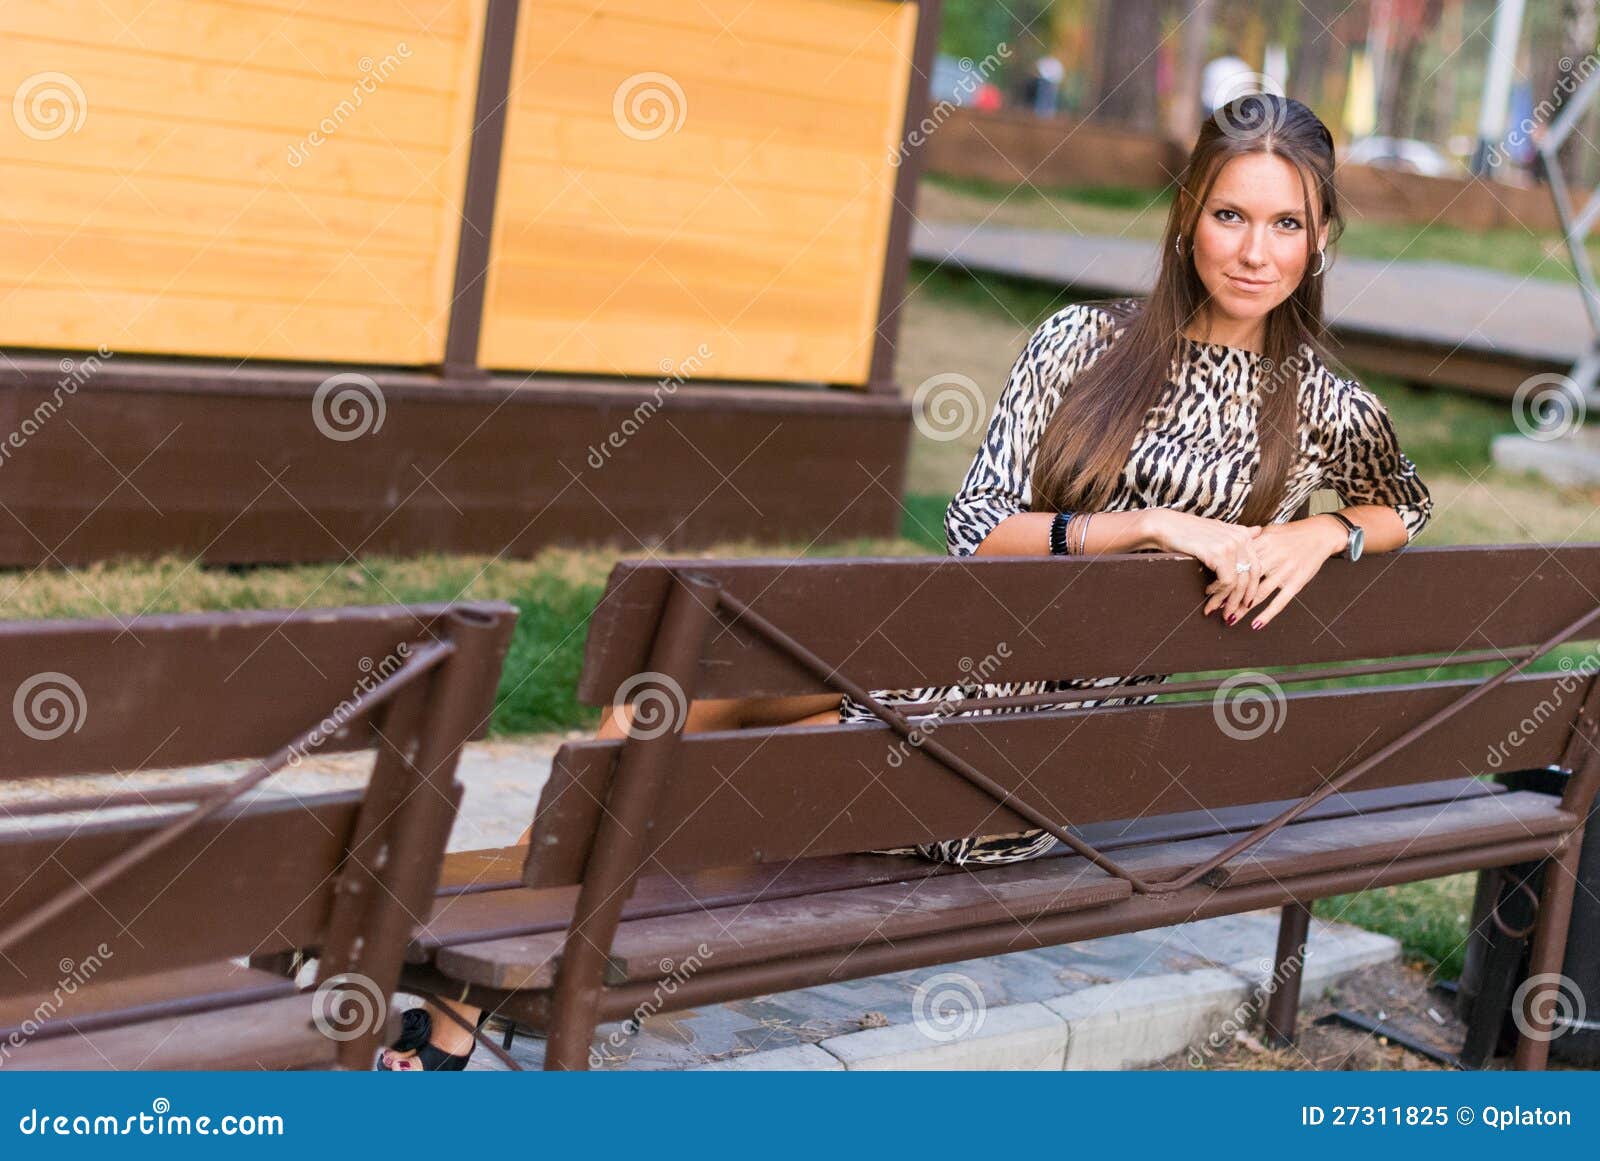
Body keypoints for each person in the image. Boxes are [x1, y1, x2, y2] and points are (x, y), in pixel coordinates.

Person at [377, 92, 1433, 1068]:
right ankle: (454, 977)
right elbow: (977, 528)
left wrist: (1320, 536)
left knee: (673, 787)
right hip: (935, 666)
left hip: (1010, 772)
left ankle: (440, 1000)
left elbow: (1406, 502)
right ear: (1184, 221)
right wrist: (1146, 525)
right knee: (657, 704)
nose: (1255, 251)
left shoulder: (1326, 409)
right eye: (1230, 216)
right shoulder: (1082, 341)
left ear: (1323, 236)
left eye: (1285, 224)